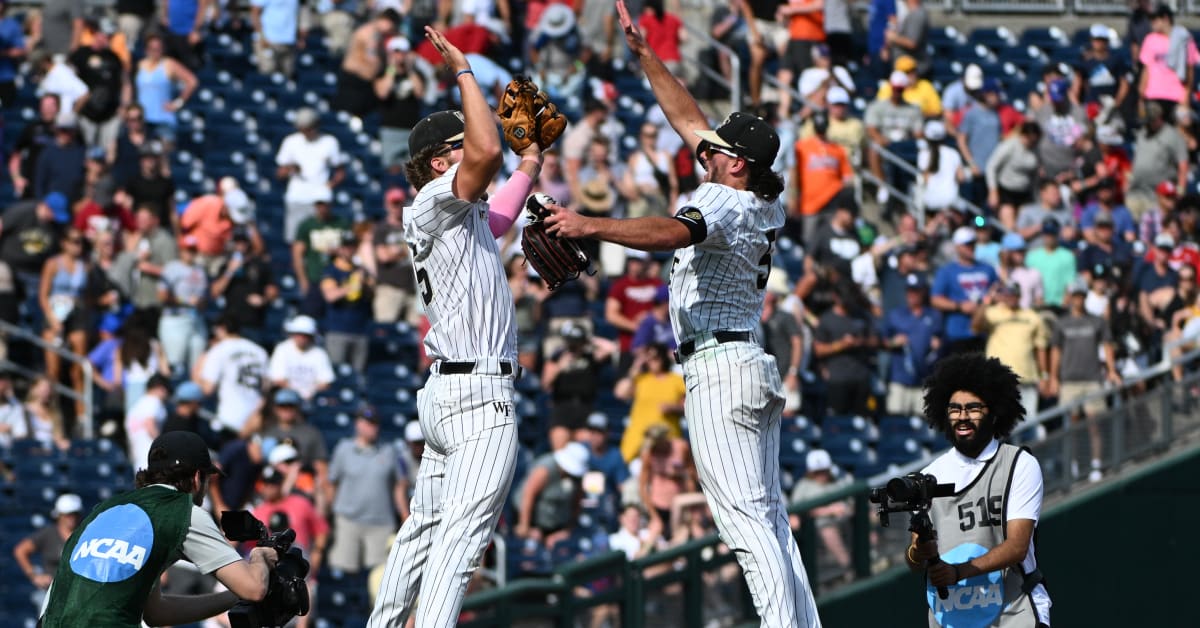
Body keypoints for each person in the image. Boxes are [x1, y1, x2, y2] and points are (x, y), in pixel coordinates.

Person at [542, 3, 822, 624]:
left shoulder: (723, 198)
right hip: (746, 357)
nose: (708, 148)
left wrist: (590, 223)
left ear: (737, 163)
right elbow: (690, 120)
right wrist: (647, 58)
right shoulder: (754, 196)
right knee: (770, 516)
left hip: (720, 369)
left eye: (720, 149)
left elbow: (674, 231)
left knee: (746, 523)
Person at [368, 26, 549, 627]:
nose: (473, 145)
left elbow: (497, 217)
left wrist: (531, 162)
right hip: (476, 399)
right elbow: (485, 154)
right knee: (459, 543)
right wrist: (466, 72)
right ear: (440, 161)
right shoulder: (436, 197)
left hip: (453, 392)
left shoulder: (454, 212)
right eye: (460, 145)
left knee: (423, 533)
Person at [38, 431, 279, 626]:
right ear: (197, 478)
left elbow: (156, 613)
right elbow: (255, 588)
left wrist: (233, 597)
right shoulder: (184, 511)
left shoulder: (105, 508)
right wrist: (260, 557)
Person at [906, 354, 1050, 627]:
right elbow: (915, 559)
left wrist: (958, 572)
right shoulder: (929, 476)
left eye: (973, 408)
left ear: (994, 412)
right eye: (954, 409)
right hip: (951, 616)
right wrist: (919, 553)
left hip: (1013, 611)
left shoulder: (1018, 464)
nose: (962, 417)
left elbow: (1017, 547)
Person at [1050, 277, 1120, 483]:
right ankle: (1073, 465)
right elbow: (1056, 351)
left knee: (1094, 423)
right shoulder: (1061, 323)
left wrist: (1112, 371)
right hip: (1069, 380)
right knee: (1070, 424)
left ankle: (1096, 463)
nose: (1077, 300)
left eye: (1081, 296)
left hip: (1092, 379)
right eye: (1075, 296)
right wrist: (1053, 377)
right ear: (1070, 298)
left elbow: (1107, 346)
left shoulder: (1097, 321)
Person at [972, 281, 1051, 422]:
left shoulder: (1032, 317)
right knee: (1001, 423)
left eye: (1014, 295)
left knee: (1029, 421)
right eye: (1008, 294)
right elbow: (975, 326)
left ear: (1019, 296)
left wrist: (1044, 376)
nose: (1011, 298)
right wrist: (986, 301)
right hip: (1000, 380)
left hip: (1026, 379)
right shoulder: (993, 312)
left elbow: (1041, 347)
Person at [276, 108, 346, 242]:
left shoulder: (329, 142)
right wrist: (291, 168)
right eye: (303, 128)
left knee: (321, 240)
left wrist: (331, 185)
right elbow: (280, 173)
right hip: (297, 197)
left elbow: (340, 171)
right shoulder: (291, 142)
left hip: (320, 199)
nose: (307, 132)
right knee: (297, 239)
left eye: (309, 128)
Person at [195, 314, 268, 440]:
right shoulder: (259, 351)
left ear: (221, 328)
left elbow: (207, 389)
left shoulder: (219, 350)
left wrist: (196, 371)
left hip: (228, 420)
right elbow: (267, 389)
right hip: (254, 421)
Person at [931, 226, 999, 355]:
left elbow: (996, 292)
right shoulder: (947, 271)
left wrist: (986, 302)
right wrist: (959, 306)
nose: (971, 247)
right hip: (957, 334)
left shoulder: (987, 269)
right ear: (957, 247)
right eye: (967, 244)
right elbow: (935, 300)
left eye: (973, 243)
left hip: (984, 332)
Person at [883, 274, 942, 416]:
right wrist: (893, 342)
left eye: (916, 291)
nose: (912, 295)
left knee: (924, 423)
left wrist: (937, 345)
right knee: (896, 420)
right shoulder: (895, 315)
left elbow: (941, 342)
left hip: (924, 380)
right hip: (900, 379)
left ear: (923, 292)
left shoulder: (934, 316)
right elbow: (882, 342)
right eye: (909, 291)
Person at [512, 441, 589, 546]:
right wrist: (525, 527)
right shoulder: (545, 469)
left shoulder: (577, 479)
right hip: (533, 524)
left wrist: (566, 531)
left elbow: (577, 503)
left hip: (557, 527)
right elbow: (528, 495)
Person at [268, 315, 334, 401]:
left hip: (312, 398)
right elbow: (278, 379)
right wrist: (296, 395)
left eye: (305, 335)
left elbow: (325, 381)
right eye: (298, 334)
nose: (301, 338)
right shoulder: (282, 349)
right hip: (286, 398)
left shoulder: (319, 353)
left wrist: (309, 395)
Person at [125, 373, 170, 471]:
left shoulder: (137, 405)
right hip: (153, 456)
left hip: (140, 456)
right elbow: (150, 424)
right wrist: (164, 446)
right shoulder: (154, 401)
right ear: (160, 388)